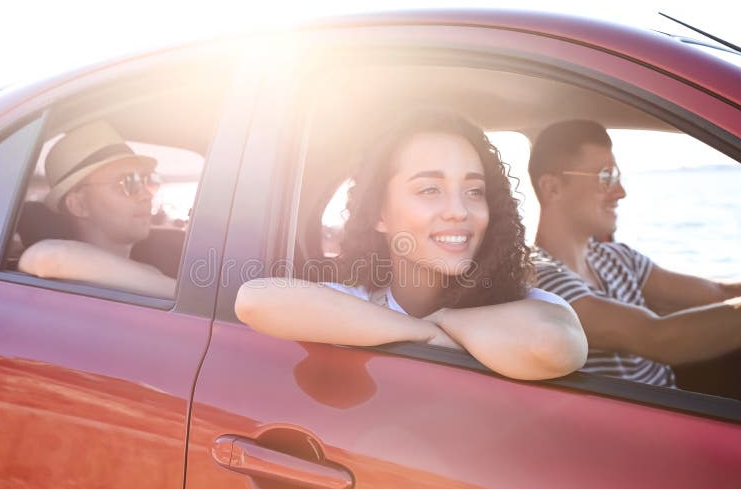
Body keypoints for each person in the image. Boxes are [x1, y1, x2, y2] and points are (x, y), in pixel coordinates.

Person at [235, 109, 587, 381]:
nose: (458, 210)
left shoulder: (522, 306)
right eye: (429, 190)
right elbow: (254, 300)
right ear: (379, 214)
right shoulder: (355, 302)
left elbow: (555, 345)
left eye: (474, 191)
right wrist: (423, 333)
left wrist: (445, 319)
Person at [528, 120, 741, 388]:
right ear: (552, 188)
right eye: (606, 177)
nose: (620, 192)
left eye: (616, 178)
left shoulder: (618, 257)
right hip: (642, 427)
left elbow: (718, 293)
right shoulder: (543, 281)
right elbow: (658, 338)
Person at [19, 120, 176, 297]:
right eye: (128, 182)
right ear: (79, 205)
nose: (146, 194)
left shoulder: (150, 272)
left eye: (148, 180)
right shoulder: (52, 262)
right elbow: (48, 256)